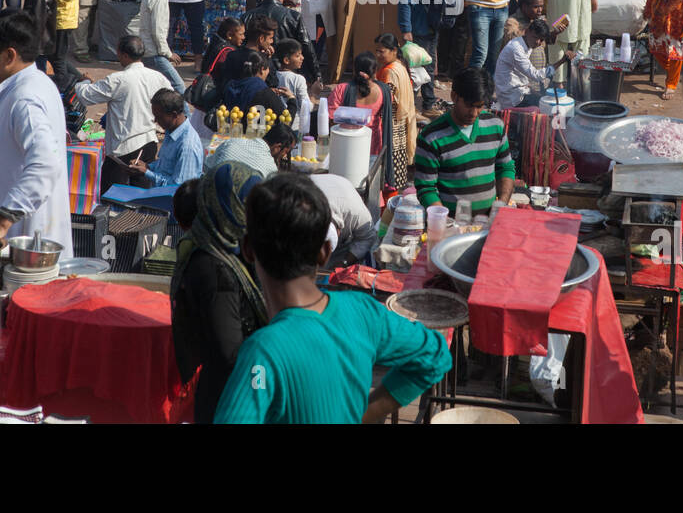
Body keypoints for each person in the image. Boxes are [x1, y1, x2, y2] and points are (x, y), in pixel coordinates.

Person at [214, 173, 451, 424]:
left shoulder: (262, 353)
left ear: (248, 249)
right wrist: (365, 414)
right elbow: (435, 353)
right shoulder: (363, 313)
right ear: (326, 251)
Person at [170, 141, 274, 422]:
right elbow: (229, 352)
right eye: (246, 205)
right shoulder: (213, 267)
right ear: (226, 207)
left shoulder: (231, 246)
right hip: (231, 400)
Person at [0, 11, 72, 257]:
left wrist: (1, 222)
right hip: (14, 241)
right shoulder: (30, 86)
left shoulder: (25, 98)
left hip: (23, 245)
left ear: (9, 55)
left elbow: (46, 163)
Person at [76, 35, 172, 195]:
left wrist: (84, 81)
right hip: (149, 143)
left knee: (111, 196)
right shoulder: (158, 77)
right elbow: (171, 97)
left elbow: (85, 95)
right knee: (142, 197)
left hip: (124, 149)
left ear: (125, 55)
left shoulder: (118, 79)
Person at [414, 67, 515, 217]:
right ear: (454, 97)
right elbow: (426, 188)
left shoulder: (495, 126)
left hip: (488, 222)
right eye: (469, 105)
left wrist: (501, 204)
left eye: (479, 106)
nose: (474, 113)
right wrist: (444, 221)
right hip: (450, 225)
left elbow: (505, 168)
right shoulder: (431, 137)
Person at [399, 0, 452, 113]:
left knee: (429, 66)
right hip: (419, 27)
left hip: (431, 25)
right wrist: (406, 28)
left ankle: (427, 102)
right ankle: (416, 107)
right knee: (418, 70)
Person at [131, 88, 204, 188]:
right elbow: (165, 166)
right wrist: (148, 167)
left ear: (174, 115)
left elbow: (178, 188)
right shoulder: (171, 131)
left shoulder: (187, 146)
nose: (155, 121)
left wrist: (147, 173)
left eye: (159, 117)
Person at [129, 0, 183, 94]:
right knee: (178, 86)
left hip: (151, 51)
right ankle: (185, 116)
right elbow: (157, 31)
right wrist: (167, 53)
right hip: (155, 53)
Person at [307, 169, 379, 267]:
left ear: (339, 232)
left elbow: (367, 238)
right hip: (313, 184)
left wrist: (344, 262)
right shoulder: (299, 208)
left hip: (341, 187)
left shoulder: (357, 214)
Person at [373, 33, 418, 187]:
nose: (378, 55)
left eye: (381, 51)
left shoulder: (389, 71)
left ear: (393, 51)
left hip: (392, 123)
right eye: (377, 51)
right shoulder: (400, 65)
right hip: (401, 122)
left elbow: (386, 99)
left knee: (390, 165)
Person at [328, 52, 384, 155]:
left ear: (354, 70)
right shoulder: (382, 91)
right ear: (375, 71)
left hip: (347, 145)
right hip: (373, 145)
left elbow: (332, 118)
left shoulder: (342, 89)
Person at [493, 18, 555, 110]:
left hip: (518, 91)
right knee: (546, 107)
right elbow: (536, 75)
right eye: (535, 37)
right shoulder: (516, 48)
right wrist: (561, 61)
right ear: (526, 32)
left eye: (541, 39)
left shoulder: (527, 43)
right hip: (511, 98)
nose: (538, 42)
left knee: (545, 101)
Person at [273, 38, 312, 134]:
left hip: (278, 124)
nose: (302, 58)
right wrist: (314, 95)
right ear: (286, 60)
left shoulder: (273, 76)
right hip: (295, 125)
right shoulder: (298, 79)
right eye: (297, 56)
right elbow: (306, 107)